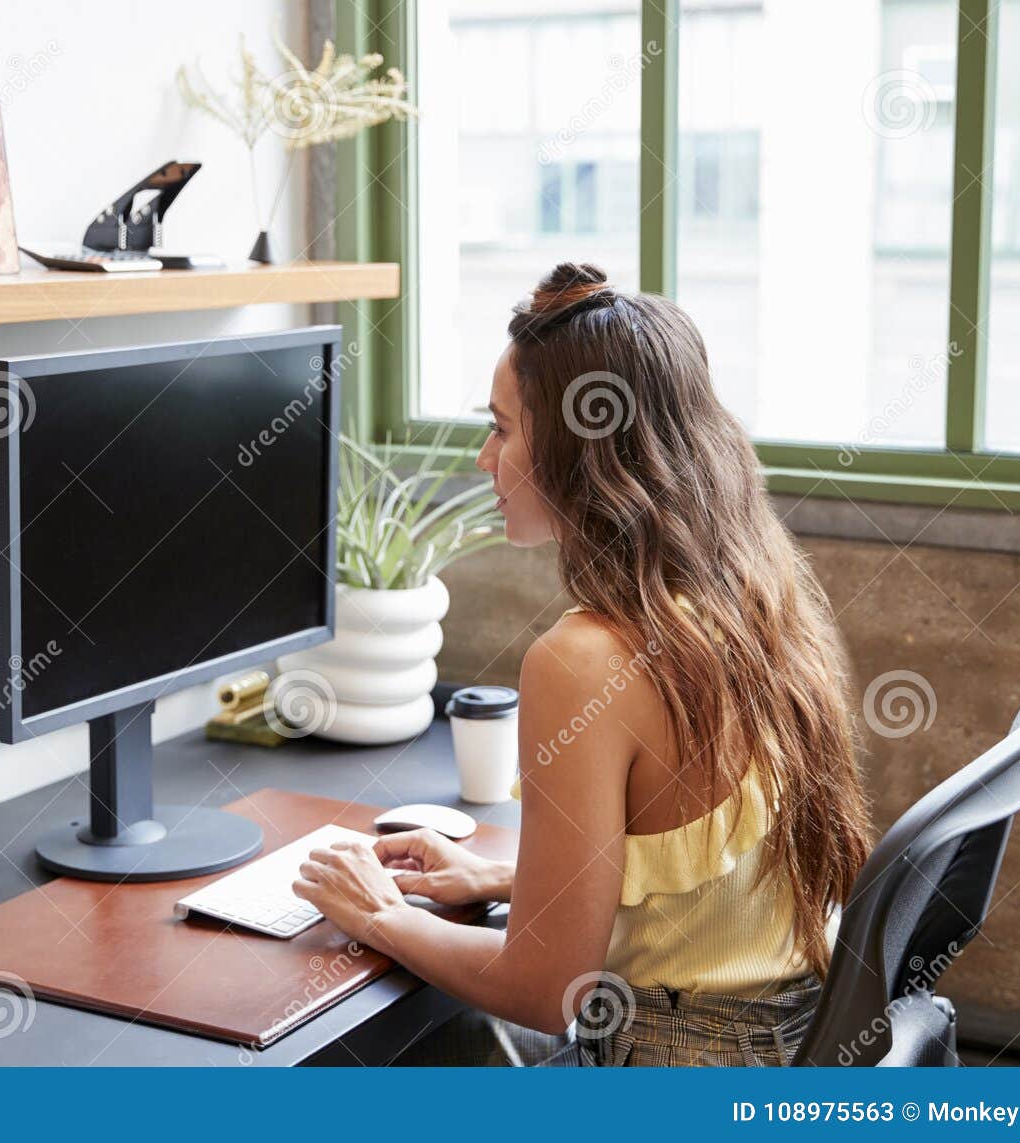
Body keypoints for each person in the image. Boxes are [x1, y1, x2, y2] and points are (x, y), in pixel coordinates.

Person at [295, 262, 872, 1066]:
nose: (481, 459)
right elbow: (699, 879)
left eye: (501, 428)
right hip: (781, 1043)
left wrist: (377, 914)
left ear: (579, 449)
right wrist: (504, 882)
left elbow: (544, 986)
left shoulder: (582, 661)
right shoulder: (749, 594)